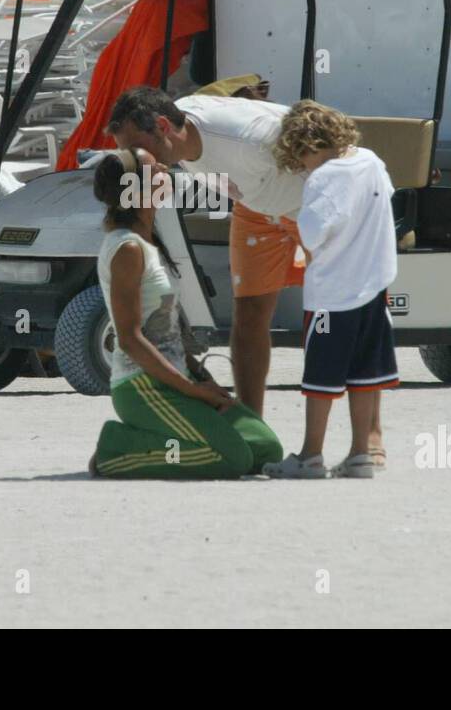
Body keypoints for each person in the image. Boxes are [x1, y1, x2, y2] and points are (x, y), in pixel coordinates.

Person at [107, 87, 388, 461]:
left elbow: (331, 154)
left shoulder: (250, 140)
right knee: (249, 314)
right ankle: (253, 428)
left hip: (314, 204)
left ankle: (368, 435)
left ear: (163, 127)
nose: (136, 160)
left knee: (345, 317)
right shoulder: (176, 125)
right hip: (256, 206)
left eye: (137, 149)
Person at [90, 147, 283, 478]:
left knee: (265, 448)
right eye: (155, 169)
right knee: (231, 458)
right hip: (143, 386)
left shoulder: (150, 239)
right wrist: (195, 392)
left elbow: (166, 326)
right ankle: (114, 451)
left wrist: (200, 375)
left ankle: (179, 433)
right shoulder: (127, 249)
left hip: (177, 377)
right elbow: (131, 339)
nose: (165, 168)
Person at [262, 102, 400, 479]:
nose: (300, 167)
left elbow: (312, 232)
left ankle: (310, 455)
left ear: (308, 146)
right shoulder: (372, 162)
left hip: (330, 298)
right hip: (374, 288)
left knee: (321, 376)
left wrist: (290, 214)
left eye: (299, 158)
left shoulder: (324, 178)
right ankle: (360, 454)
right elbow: (385, 199)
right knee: (365, 374)